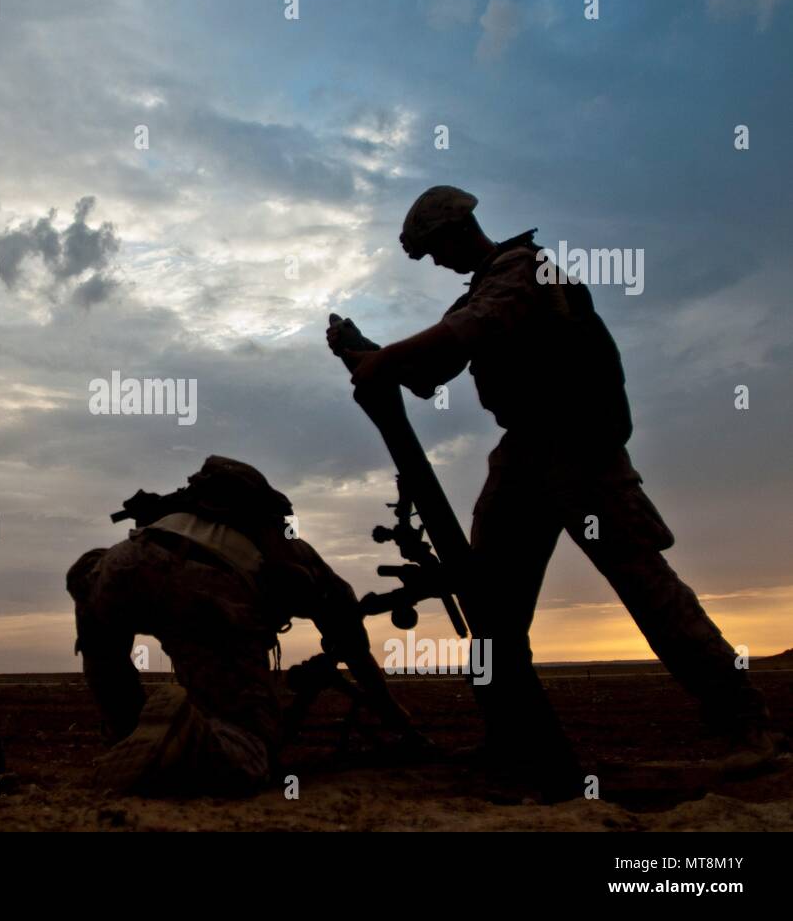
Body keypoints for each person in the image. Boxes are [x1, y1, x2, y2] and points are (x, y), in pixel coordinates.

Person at [327, 185, 776, 795]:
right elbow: (431, 374)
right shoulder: (483, 288)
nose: (436, 263)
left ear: (461, 231)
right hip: (524, 458)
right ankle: (513, 736)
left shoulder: (524, 272)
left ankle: (745, 727)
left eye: (435, 250)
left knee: (646, 588)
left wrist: (388, 360)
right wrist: (369, 356)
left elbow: (465, 334)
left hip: (580, 452)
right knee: (492, 610)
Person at [67, 455, 419, 796]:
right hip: (207, 589)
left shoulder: (173, 518)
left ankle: (126, 734)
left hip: (124, 564)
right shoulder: (295, 551)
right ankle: (180, 739)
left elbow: (84, 576)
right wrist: (391, 711)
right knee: (247, 744)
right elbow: (351, 639)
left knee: (91, 588)